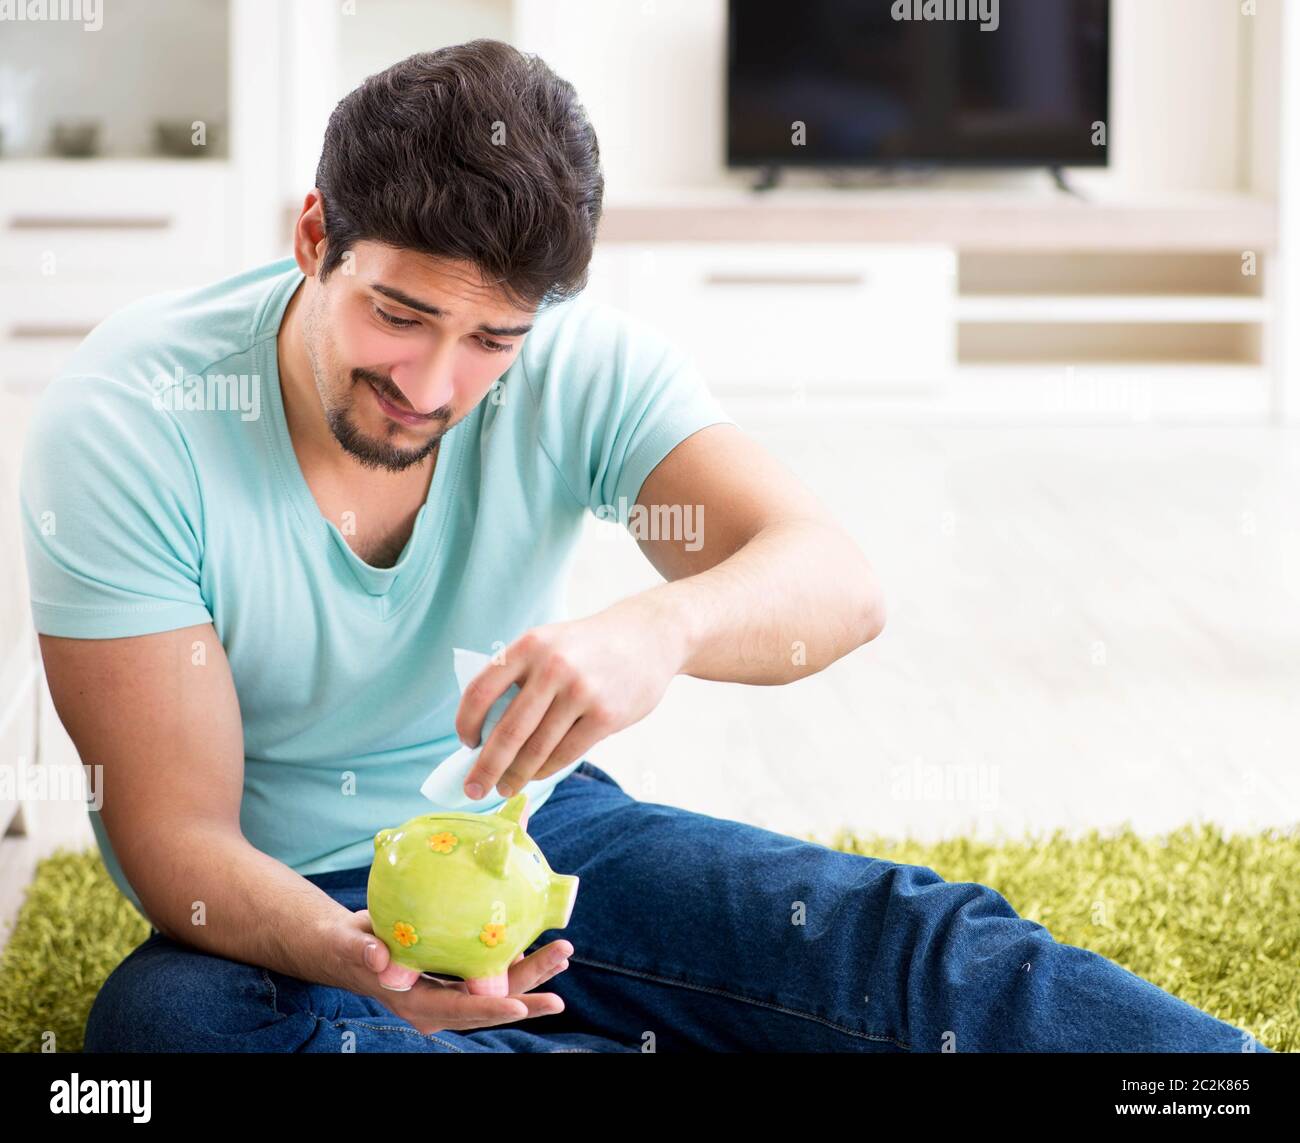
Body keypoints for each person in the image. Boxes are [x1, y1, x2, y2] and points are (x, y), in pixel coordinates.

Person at [21, 40, 1266, 1053]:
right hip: (275, 915)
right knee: (168, 1029)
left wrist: (658, 627)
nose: (433, 382)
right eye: (398, 315)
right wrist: (361, 956)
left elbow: (833, 577)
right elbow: (178, 839)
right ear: (313, 239)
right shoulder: (136, 420)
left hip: (533, 843)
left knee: (889, 938)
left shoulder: (576, 363)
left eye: (491, 339)